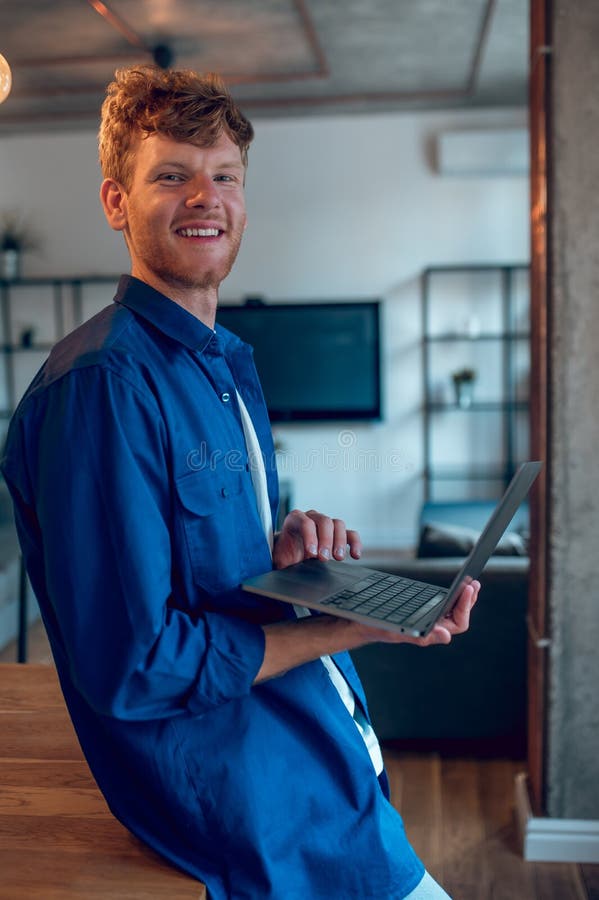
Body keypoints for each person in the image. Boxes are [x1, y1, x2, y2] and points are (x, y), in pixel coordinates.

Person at [1, 66, 479, 900]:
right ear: (116, 202)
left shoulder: (223, 365)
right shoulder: (104, 386)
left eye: (224, 176)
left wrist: (284, 553)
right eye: (171, 175)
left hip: (321, 761)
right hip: (248, 807)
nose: (204, 198)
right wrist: (351, 629)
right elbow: (136, 664)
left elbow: (199, 561)